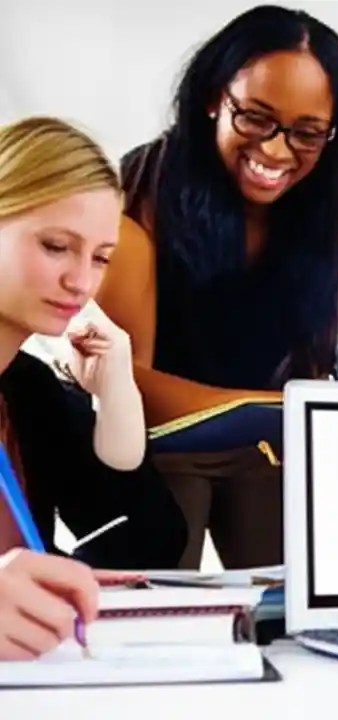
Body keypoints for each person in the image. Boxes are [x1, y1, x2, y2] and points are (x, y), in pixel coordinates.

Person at [95, 5, 338, 569]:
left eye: (307, 134)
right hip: (154, 439)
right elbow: (122, 381)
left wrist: (291, 414)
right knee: (162, 592)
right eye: (256, 118)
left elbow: (310, 371)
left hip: (264, 446)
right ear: (215, 95)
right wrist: (278, 408)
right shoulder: (138, 198)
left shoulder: (327, 226)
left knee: (300, 590)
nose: (277, 150)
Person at [0, 116, 188, 658]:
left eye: (101, 257)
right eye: (57, 246)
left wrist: (116, 397)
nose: (81, 281)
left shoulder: (25, 388)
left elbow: (151, 541)